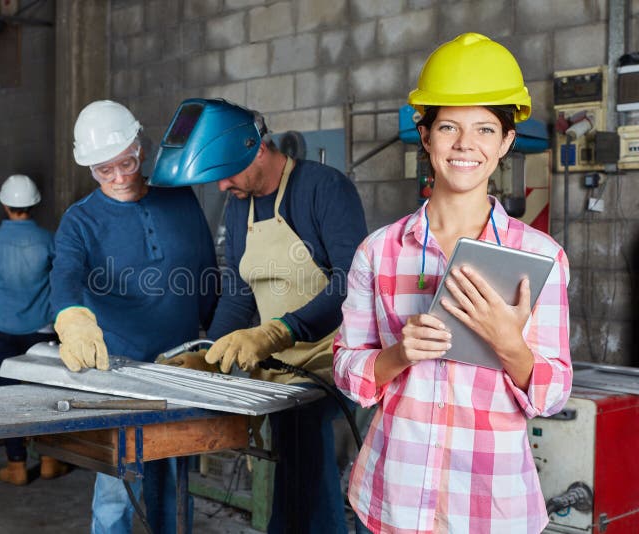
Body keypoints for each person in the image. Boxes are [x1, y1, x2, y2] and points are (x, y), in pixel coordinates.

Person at [333, 33, 572, 533]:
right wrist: (400, 353)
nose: (466, 145)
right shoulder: (378, 251)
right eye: (449, 127)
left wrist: (510, 344)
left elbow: (554, 394)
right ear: (426, 136)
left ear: (507, 141)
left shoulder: (539, 256)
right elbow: (347, 369)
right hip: (393, 494)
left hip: (490, 502)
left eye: (486, 129)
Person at [151, 98, 368, 534]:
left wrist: (280, 331)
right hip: (280, 368)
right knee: (291, 471)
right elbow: (238, 292)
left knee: (307, 463)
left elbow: (353, 285)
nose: (222, 187)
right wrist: (209, 353)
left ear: (256, 149)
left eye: (226, 174)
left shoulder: (324, 189)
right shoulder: (239, 205)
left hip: (334, 363)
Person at [50, 100, 218, 534]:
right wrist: (71, 316)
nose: (120, 177)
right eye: (104, 170)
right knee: (115, 492)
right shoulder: (80, 221)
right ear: (89, 169)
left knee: (174, 484)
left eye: (125, 162)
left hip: (181, 369)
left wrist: (218, 339)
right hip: (118, 373)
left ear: (139, 147)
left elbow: (205, 270)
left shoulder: (179, 198)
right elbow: (65, 274)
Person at [0, 174, 68, 486]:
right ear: (35, 204)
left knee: (8, 395)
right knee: (46, 392)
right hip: (41, 327)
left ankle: (16, 465)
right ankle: (49, 460)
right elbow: (60, 281)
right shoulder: (49, 239)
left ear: (5, 204)